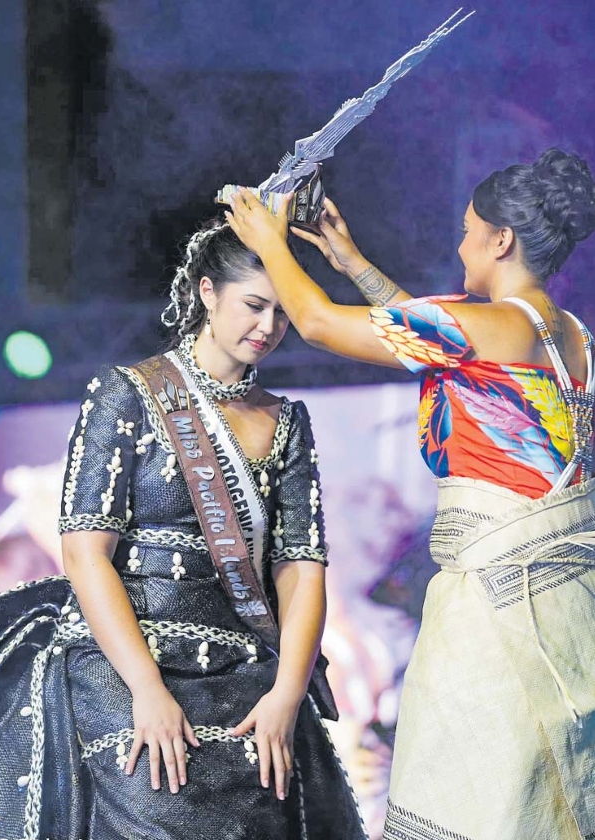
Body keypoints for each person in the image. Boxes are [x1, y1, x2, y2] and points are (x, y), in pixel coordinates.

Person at [225, 148, 595, 840]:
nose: (460, 243)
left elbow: (318, 326)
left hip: (498, 610)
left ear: (499, 239)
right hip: (566, 611)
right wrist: (350, 261)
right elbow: (440, 344)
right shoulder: (569, 334)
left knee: (479, 799)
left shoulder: (495, 326)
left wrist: (269, 243)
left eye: (465, 229)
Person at [0, 221, 368, 840]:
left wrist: (286, 698)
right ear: (207, 291)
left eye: (283, 314)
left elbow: (300, 567)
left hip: (248, 676)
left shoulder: (287, 420)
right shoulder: (126, 393)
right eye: (254, 306)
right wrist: (146, 689)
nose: (268, 327)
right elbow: (84, 553)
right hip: (123, 664)